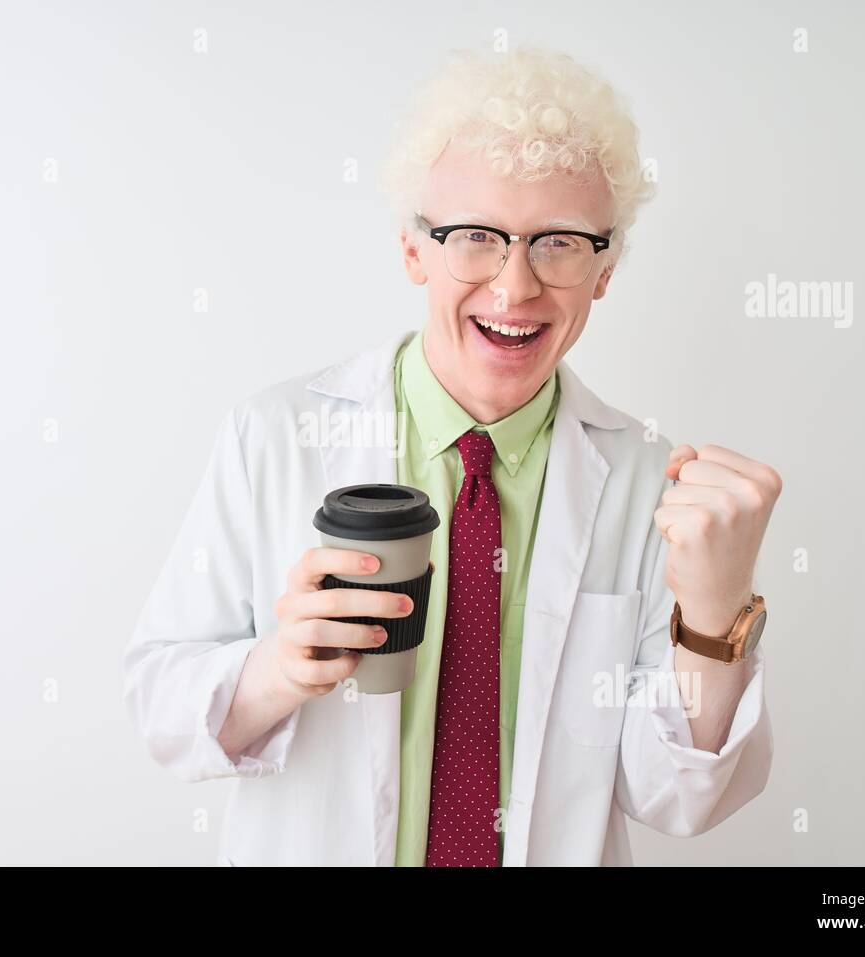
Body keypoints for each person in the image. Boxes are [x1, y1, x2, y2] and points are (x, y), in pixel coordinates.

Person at [123, 46, 782, 866]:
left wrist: (716, 620)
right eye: (476, 237)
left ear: (605, 269)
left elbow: (676, 798)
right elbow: (159, 708)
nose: (515, 287)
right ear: (413, 251)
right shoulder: (274, 436)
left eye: (559, 243)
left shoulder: (653, 482)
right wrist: (275, 671)